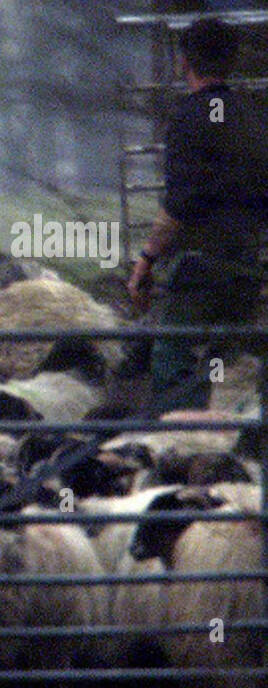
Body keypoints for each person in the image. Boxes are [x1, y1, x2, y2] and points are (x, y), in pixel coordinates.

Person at [127, 17, 268, 415]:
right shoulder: (252, 116)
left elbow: (181, 203)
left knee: (176, 358)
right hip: (247, 263)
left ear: (184, 60)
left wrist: (147, 259)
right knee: (226, 361)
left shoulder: (191, 117)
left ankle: (180, 443)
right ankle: (232, 445)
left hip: (199, 267)